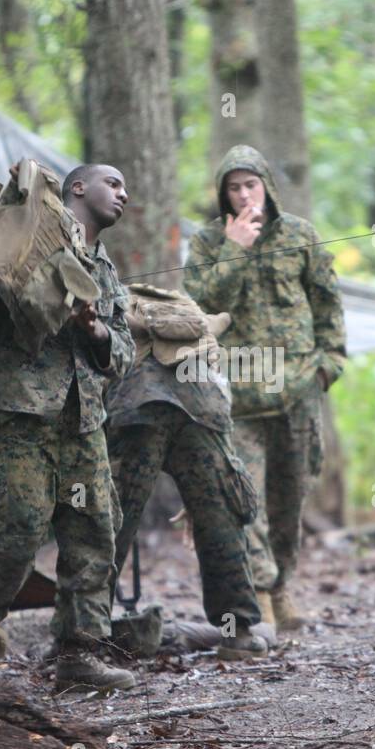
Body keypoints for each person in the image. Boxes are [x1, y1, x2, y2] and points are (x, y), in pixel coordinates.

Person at [0, 163, 137, 693]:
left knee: (93, 534)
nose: (124, 193)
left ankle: (81, 651)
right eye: (113, 184)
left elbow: (122, 353)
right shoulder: (25, 237)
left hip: (83, 421)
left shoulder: (107, 270)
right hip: (19, 414)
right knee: (16, 531)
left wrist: (98, 330)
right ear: (78, 188)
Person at [184, 145, 346, 631]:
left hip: (297, 389)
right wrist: (236, 248)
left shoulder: (300, 234)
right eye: (233, 188)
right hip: (241, 393)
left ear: (267, 186)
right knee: (245, 498)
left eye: (250, 184)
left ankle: (282, 586)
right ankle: (259, 591)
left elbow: (327, 302)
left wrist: (330, 363)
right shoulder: (210, 241)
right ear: (222, 194)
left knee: (288, 499)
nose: (242, 195)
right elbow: (199, 306)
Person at [105, 283, 267, 660]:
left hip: (136, 405)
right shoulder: (197, 319)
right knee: (220, 514)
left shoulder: (106, 302)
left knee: (109, 520)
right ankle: (236, 632)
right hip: (201, 405)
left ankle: (81, 639)